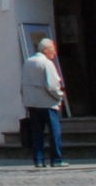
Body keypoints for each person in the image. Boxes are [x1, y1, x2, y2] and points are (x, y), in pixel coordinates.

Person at [21, 38, 67, 168]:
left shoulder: (28, 62)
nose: (54, 53)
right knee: (54, 132)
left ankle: (39, 160)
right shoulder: (47, 63)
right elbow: (52, 86)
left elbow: (23, 84)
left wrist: (25, 99)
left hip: (32, 103)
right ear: (45, 50)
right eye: (52, 49)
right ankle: (56, 159)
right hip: (47, 104)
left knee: (37, 133)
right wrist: (59, 96)